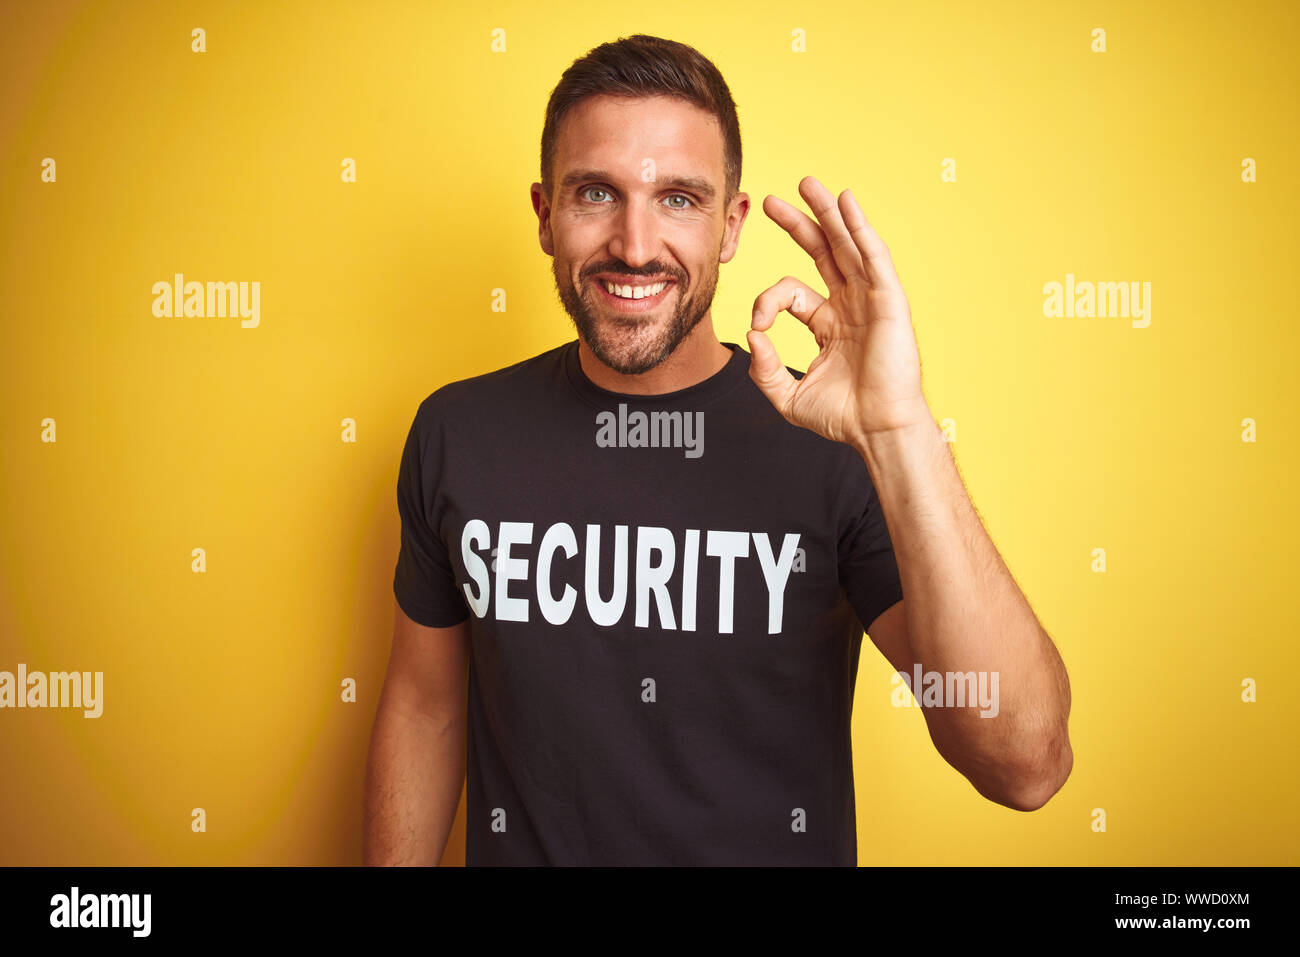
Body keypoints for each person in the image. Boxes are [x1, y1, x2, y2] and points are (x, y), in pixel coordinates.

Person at [363, 34, 1072, 866]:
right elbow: (425, 706)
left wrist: (900, 428)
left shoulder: (834, 448)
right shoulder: (458, 433)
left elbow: (1024, 764)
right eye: (597, 193)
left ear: (731, 225)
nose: (634, 245)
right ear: (546, 215)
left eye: (678, 199)